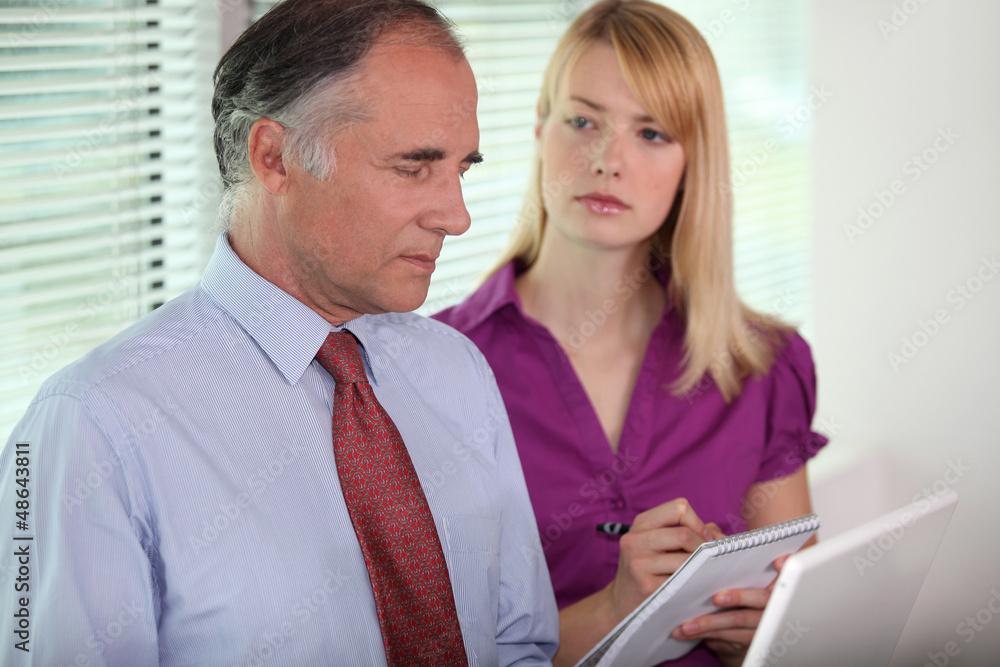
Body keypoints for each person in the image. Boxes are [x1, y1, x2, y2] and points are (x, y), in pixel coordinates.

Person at [0, 0, 558, 665]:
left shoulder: (456, 370)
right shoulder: (92, 426)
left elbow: (517, 644)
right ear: (275, 157)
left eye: (462, 170)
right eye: (414, 167)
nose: (457, 216)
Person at [434, 1, 827, 665]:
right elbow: (435, 649)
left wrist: (752, 638)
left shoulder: (764, 365)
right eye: (583, 120)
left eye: (652, 133)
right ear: (538, 129)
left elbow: (802, 632)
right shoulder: (433, 367)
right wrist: (614, 609)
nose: (607, 160)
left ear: (691, 162)